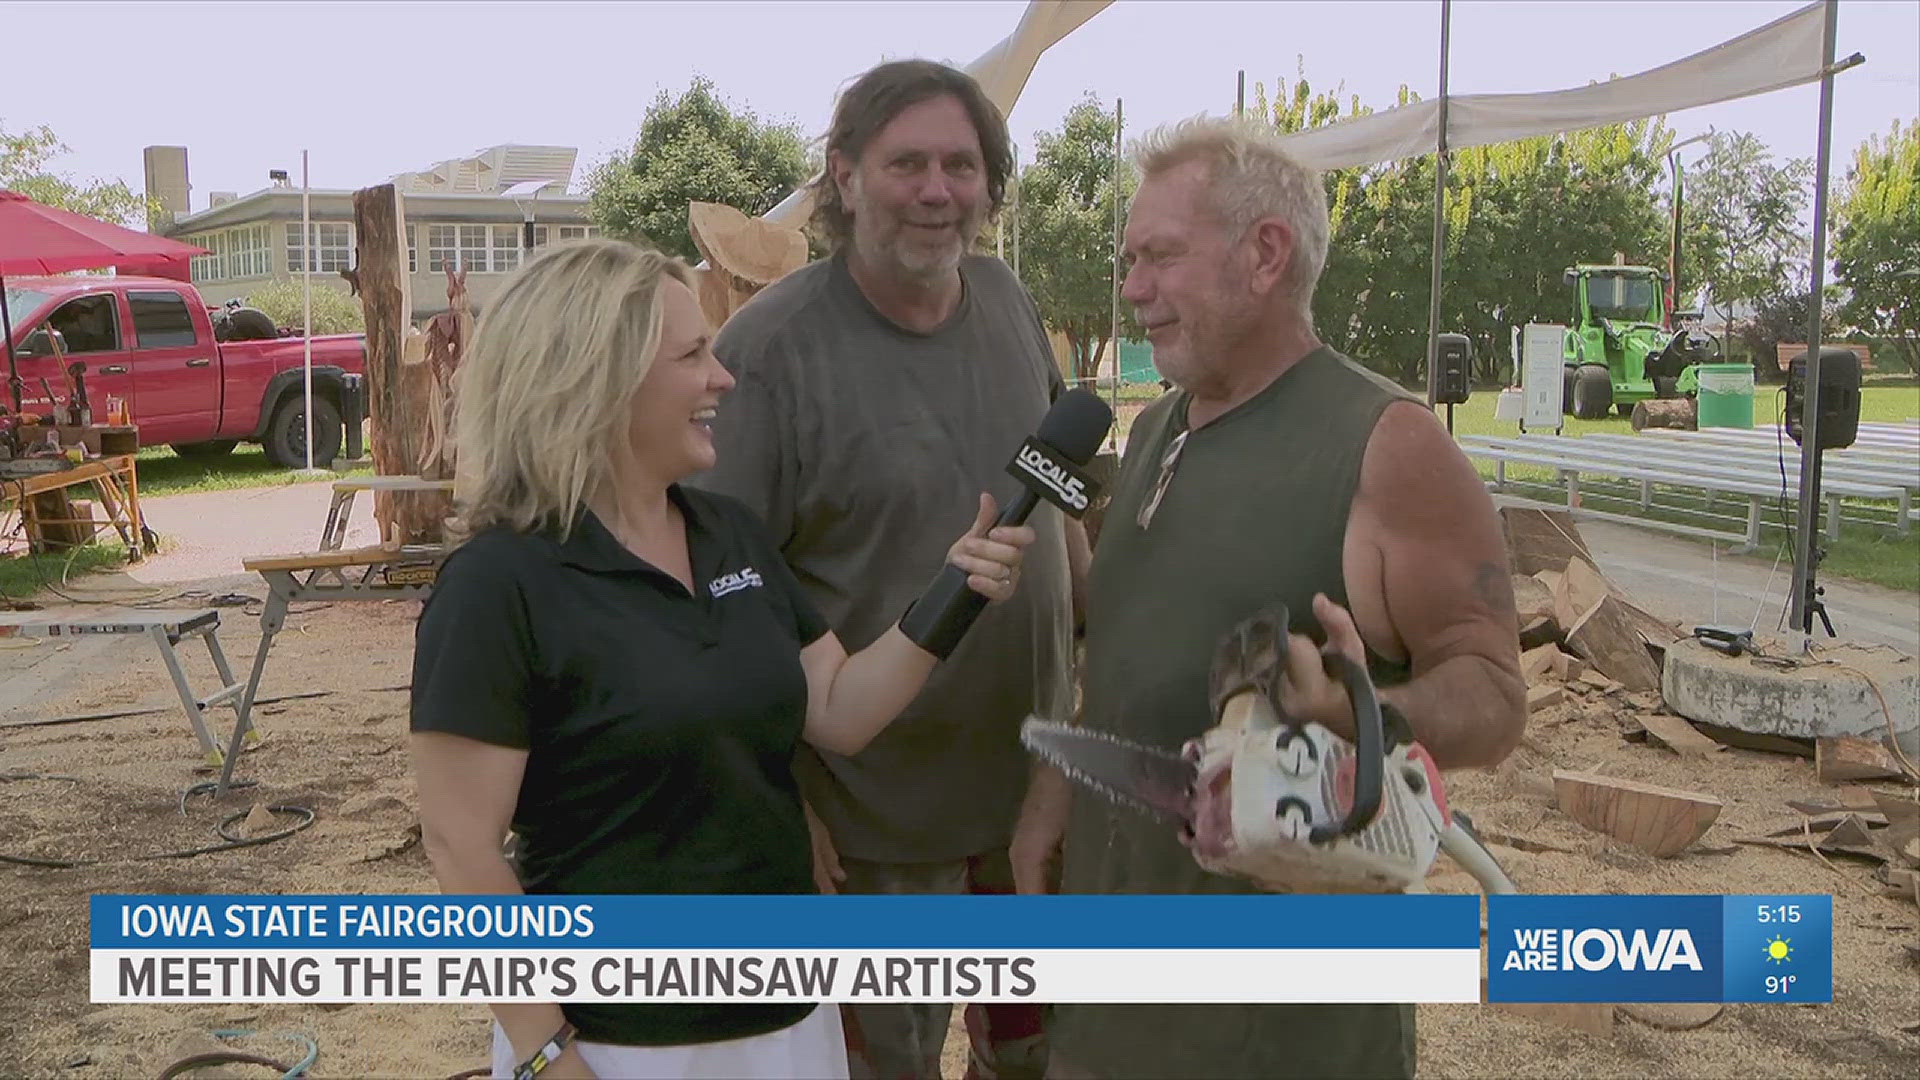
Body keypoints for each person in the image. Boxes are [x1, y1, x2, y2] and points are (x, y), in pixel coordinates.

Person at [407, 238, 1037, 1080]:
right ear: (600, 379)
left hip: (789, 1019)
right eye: (694, 354)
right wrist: (547, 1053)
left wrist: (952, 593)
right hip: (622, 1045)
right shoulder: (498, 583)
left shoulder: (726, 533)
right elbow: (462, 846)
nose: (724, 378)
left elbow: (841, 710)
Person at [1023, 115, 1529, 1079]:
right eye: (1130, 261)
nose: (1132, 291)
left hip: (1286, 1037)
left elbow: (1496, 698)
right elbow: (1138, 646)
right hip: (1108, 1008)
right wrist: (1061, 783)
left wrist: (1359, 712)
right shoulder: (1159, 427)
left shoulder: (1388, 444)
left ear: (1265, 254)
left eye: (1160, 258)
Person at [689, 58, 1086, 1080]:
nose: (937, 189)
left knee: (1033, 1065)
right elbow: (713, 598)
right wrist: (779, 795)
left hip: (1030, 811)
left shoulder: (1004, 300)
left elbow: (1065, 503)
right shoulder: (767, 352)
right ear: (845, 175)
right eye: (906, 161)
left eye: (962, 164)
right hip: (873, 836)